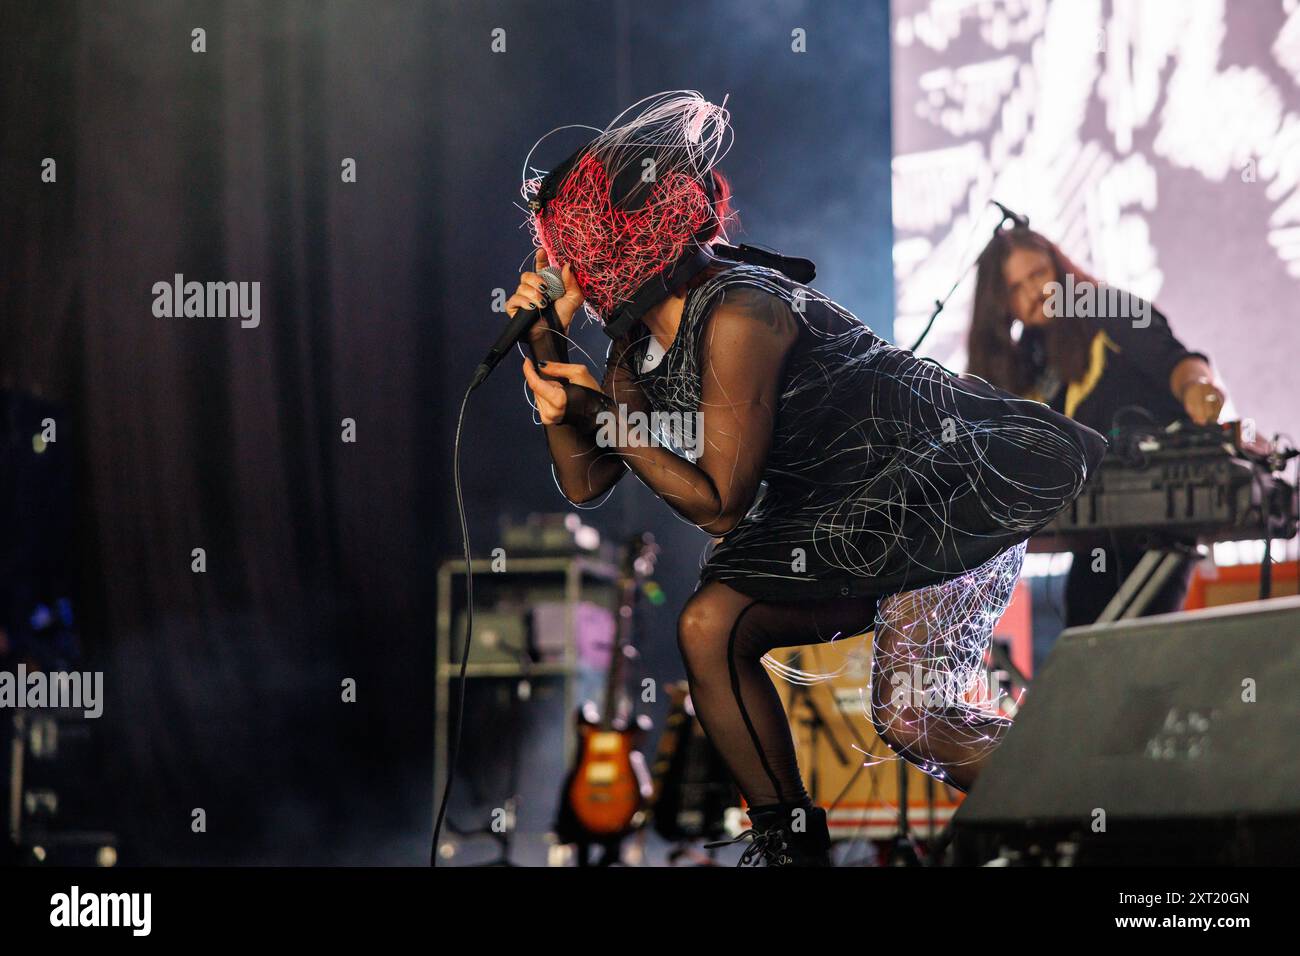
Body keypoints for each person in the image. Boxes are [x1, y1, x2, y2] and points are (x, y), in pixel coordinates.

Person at [507, 92, 1105, 865]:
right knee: (711, 626)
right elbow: (588, 482)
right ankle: (789, 845)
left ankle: (1107, 805)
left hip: (938, 482)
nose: (558, 267)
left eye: (569, 249)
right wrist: (554, 349)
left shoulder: (738, 314)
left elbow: (720, 504)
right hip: (843, 513)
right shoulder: (633, 355)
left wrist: (606, 418)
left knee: (912, 714)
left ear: (614, 241)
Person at [966, 225, 1226, 626]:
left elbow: (1177, 361)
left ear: (1059, 266)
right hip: (1096, 532)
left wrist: (1198, 387)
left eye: (1038, 274)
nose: (1034, 291)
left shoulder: (1107, 307)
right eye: (1016, 287)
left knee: (1133, 647)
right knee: (1084, 638)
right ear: (1000, 304)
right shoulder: (1027, 359)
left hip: (1158, 516)